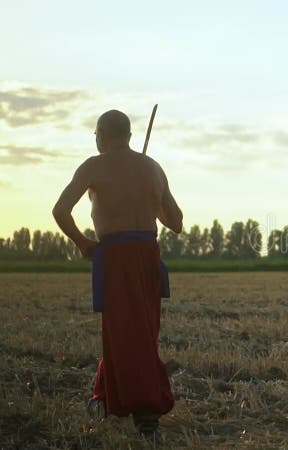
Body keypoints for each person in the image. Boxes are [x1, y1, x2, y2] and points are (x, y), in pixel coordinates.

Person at [52, 109, 182, 441]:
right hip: (148, 255)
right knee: (136, 332)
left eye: (95, 134)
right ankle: (104, 395)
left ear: (102, 136)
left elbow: (60, 210)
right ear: (129, 135)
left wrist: (82, 242)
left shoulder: (94, 166)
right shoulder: (153, 168)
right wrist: (151, 199)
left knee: (127, 333)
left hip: (118, 256)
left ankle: (146, 411)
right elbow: (176, 221)